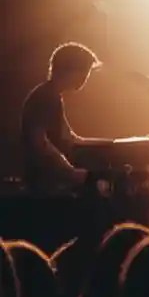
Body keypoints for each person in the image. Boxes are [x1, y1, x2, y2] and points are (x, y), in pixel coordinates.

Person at [20, 42, 109, 192]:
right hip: (45, 186)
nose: (86, 77)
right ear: (71, 70)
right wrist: (70, 172)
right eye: (85, 71)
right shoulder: (45, 97)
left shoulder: (52, 96)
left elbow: (71, 139)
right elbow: (38, 142)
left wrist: (114, 145)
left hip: (50, 183)